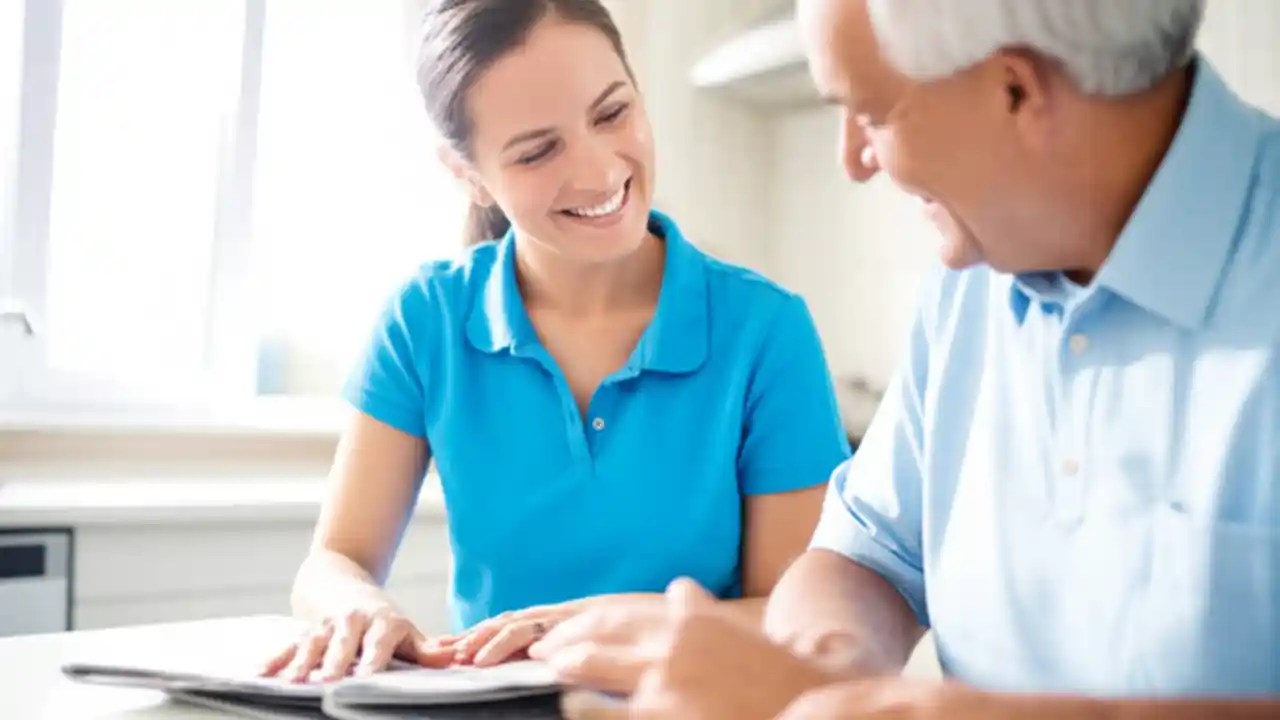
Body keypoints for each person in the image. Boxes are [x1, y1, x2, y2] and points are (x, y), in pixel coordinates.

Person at [538, 0, 1280, 717]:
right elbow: (868, 558)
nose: (854, 161)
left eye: (873, 114)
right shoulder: (976, 276)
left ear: (1016, 91)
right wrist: (820, 672)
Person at [259, 0, 851, 683]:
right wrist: (356, 605)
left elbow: (798, 619)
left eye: (612, 113)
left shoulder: (765, 330)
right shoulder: (425, 318)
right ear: (467, 171)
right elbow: (333, 562)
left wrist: (609, 624)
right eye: (539, 150)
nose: (600, 173)